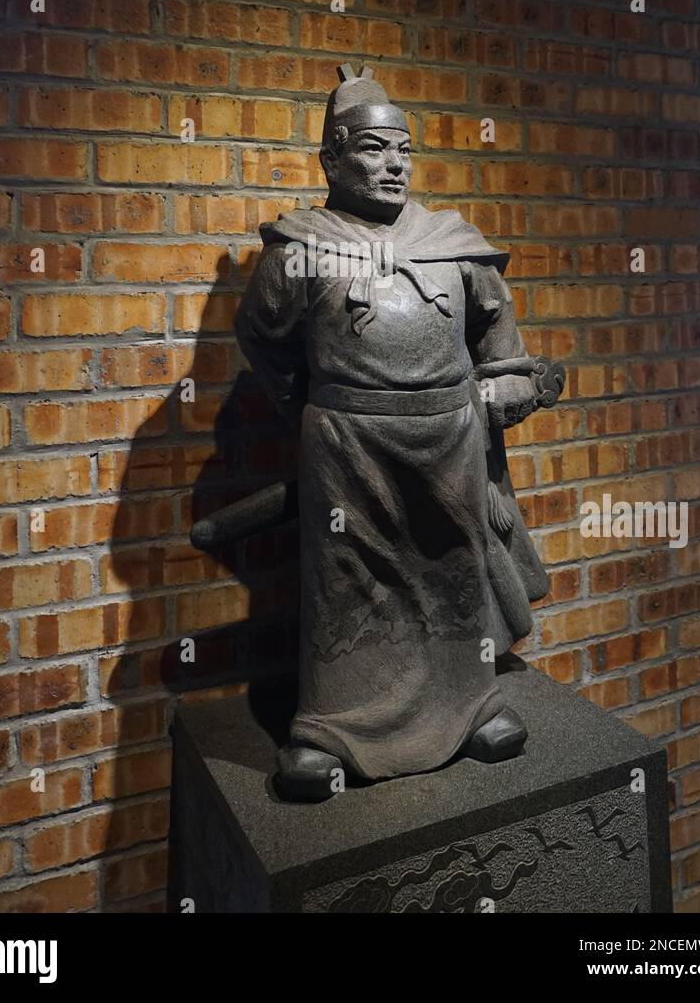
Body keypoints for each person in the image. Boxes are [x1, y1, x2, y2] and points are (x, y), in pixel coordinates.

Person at [235, 64, 565, 800]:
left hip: (449, 444)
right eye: (374, 149)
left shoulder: (455, 244)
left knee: (453, 574)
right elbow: (263, 341)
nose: (393, 166)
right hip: (348, 452)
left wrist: (508, 390)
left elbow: (502, 350)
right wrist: (318, 416)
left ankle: (471, 705)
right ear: (332, 160)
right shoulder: (301, 247)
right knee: (346, 588)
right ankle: (326, 731)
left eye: (404, 151)